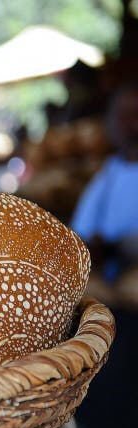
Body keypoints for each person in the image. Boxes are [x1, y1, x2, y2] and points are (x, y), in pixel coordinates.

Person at [70, 83, 138, 280]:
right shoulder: (110, 171)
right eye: (124, 116)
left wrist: (118, 247)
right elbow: (82, 233)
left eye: (137, 115)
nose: (133, 125)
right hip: (112, 286)